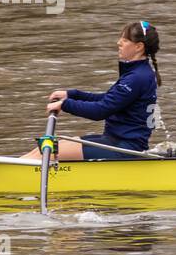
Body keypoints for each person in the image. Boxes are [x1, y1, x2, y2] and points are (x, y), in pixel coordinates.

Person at [25, 21, 161, 162]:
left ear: (139, 47)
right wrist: (72, 94)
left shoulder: (136, 77)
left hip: (125, 148)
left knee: (44, 154)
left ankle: (9, 177)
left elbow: (100, 111)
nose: (118, 43)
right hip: (115, 140)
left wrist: (64, 105)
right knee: (45, 147)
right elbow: (107, 99)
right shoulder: (137, 73)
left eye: (125, 40)